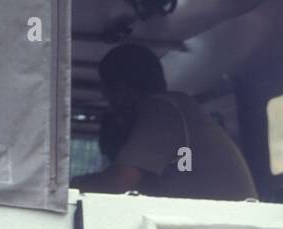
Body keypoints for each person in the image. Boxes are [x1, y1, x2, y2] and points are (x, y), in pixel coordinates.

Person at [73, 43, 257, 201]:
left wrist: (70, 187)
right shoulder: (176, 109)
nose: (110, 106)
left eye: (108, 95)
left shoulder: (163, 108)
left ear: (122, 91)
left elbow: (117, 184)